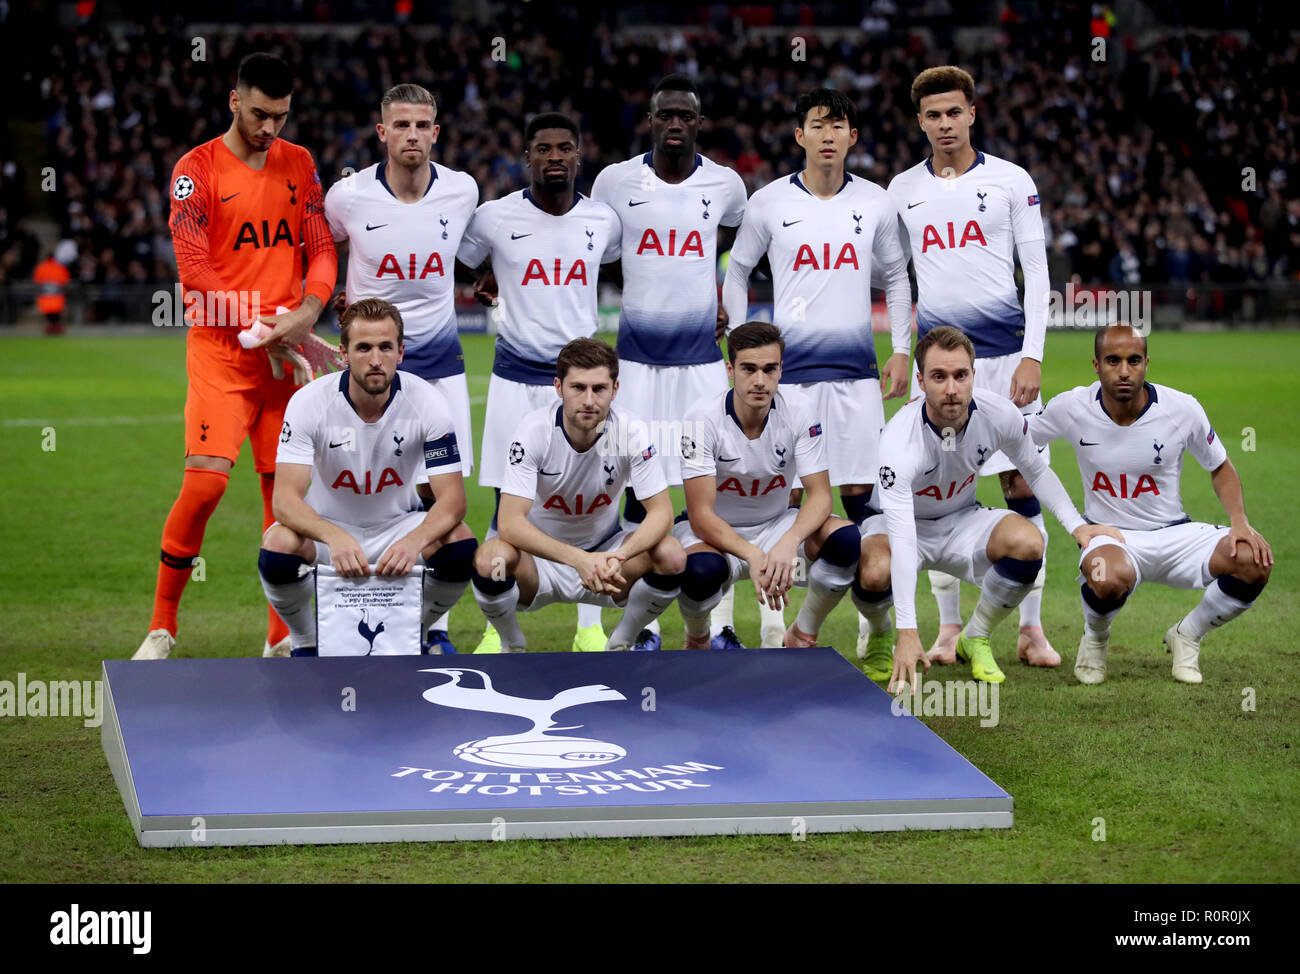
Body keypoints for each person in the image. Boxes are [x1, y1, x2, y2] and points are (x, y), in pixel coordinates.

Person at [134, 53, 338, 660]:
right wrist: (261, 323)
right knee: (203, 487)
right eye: (258, 114)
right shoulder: (195, 171)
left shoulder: (298, 163)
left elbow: (320, 245)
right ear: (234, 100)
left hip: (286, 355)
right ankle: (162, 625)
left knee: (285, 498)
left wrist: (306, 311)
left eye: (279, 116)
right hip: (224, 350)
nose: (269, 128)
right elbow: (193, 271)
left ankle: (281, 636)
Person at [722, 87, 913, 652]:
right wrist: (740, 348)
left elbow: (898, 279)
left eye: (839, 126)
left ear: (853, 137)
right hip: (790, 381)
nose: (828, 136)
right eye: (817, 126)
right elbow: (736, 273)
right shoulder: (769, 204)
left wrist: (901, 348)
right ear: (799, 136)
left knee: (855, 498)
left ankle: (870, 619)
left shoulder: (877, 202)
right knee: (786, 502)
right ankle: (776, 624)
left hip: (857, 376)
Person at [887, 65, 1057, 668]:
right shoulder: (901, 189)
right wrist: (903, 352)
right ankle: (950, 629)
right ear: (920, 122)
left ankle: (1030, 629)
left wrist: (1033, 352)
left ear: (972, 113)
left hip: (1007, 356)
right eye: (933, 115)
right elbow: (897, 278)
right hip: (941, 368)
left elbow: (1036, 272)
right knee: (937, 486)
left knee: (1021, 483)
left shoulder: (1012, 181)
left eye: (953, 112)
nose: (944, 124)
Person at [856, 326, 1121, 688]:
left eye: (960, 375)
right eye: (939, 377)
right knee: (873, 570)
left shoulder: (999, 414)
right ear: (920, 381)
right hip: (901, 527)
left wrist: (1077, 526)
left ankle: (975, 636)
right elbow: (903, 539)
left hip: (962, 520)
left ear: (973, 375)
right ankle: (882, 635)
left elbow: (1036, 471)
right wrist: (907, 630)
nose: (951, 388)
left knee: (1028, 543)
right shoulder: (899, 442)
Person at [590, 73, 749, 651]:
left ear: (698, 123)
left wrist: (725, 303)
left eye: (685, 115)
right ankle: (646, 625)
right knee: (637, 488)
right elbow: (590, 239)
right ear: (651, 121)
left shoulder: (726, 185)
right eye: (665, 116)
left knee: (716, 487)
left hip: (701, 364)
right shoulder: (614, 181)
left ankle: (721, 621)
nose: (675, 124)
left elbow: (739, 245)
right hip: (636, 366)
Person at [457, 113, 621, 653]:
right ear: (527, 157)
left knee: (593, 495)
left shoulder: (604, 219)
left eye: (565, 148)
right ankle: (496, 627)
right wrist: (490, 283)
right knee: (511, 499)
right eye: (543, 149)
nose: (555, 157)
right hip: (516, 381)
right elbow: (465, 264)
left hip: (583, 384)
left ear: (580, 156)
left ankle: (590, 622)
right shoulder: (494, 217)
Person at [324, 82, 479, 654]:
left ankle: (431, 626)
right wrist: (336, 296)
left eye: (422, 126)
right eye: (401, 125)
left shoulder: (462, 190)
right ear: (382, 131)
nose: (412, 135)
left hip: (440, 366)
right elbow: (321, 247)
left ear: (436, 134)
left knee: (442, 496)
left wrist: (485, 277)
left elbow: (475, 247)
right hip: (373, 369)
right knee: (378, 486)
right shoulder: (347, 197)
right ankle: (361, 609)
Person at [1030, 324, 1272, 684]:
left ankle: (1187, 635)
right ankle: (1095, 640)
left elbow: (1219, 465)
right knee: (1105, 576)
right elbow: (1021, 441)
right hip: (1110, 538)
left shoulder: (1182, 409)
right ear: (1096, 365)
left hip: (1175, 533)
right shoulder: (1071, 407)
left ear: (1146, 363)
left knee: (1254, 560)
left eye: (1134, 360)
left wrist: (1239, 520)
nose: (1124, 371)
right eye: (1113, 361)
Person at [257, 298, 477, 656]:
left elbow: (453, 502)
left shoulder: (429, 403)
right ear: (343, 353)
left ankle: (416, 632)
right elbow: (284, 501)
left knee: (460, 542)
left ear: (401, 352)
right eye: (363, 348)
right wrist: (334, 536)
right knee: (278, 545)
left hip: (398, 527)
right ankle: (304, 643)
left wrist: (414, 541)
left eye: (385, 347)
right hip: (328, 530)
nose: (375, 360)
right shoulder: (309, 402)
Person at [469, 339, 685, 653]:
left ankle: (622, 641)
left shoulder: (630, 431)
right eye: (577, 387)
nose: (588, 400)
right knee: (492, 562)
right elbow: (510, 524)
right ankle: (511, 643)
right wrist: (579, 561)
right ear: (558, 387)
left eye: (599, 389)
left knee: (672, 555)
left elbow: (662, 514)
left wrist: (619, 556)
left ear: (615, 389)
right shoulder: (534, 431)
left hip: (609, 561)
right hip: (541, 564)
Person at [675, 322, 861, 649]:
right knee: (701, 570)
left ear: (780, 369)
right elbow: (700, 515)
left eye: (769, 369)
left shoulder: (800, 410)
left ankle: (803, 633)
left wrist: (789, 541)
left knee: (847, 541)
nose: (760, 380)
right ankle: (698, 638)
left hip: (777, 524)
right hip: (716, 533)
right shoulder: (700, 419)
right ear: (730, 369)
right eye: (749, 369)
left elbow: (820, 497)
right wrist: (754, 554)